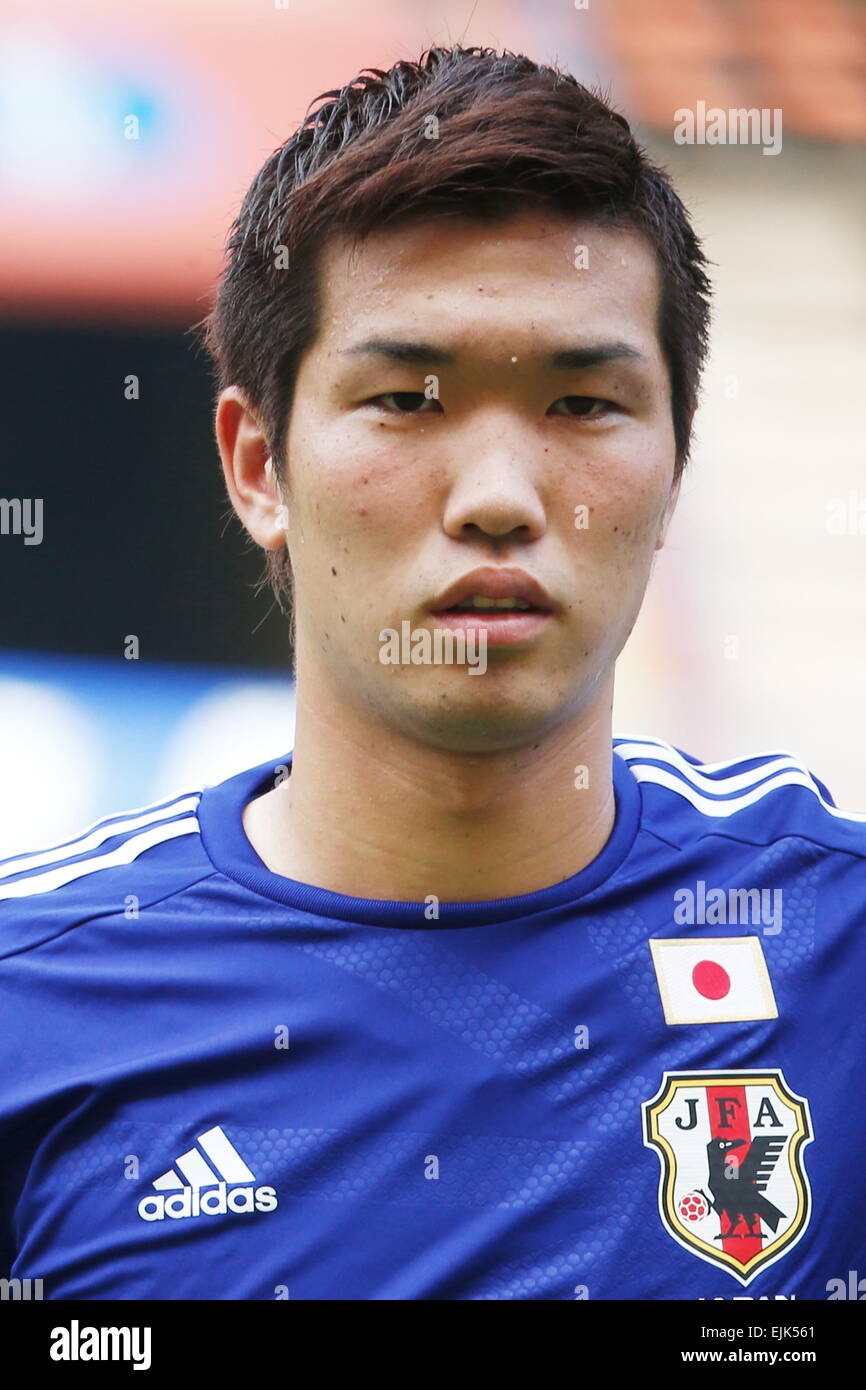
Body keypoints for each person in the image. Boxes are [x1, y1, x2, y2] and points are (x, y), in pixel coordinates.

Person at [1, 45, 863, 1302]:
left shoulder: (833, 945)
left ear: (677, 462)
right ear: (255, 466)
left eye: (582, 404)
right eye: (406, 398)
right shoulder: (35, 1002)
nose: (501, 498)